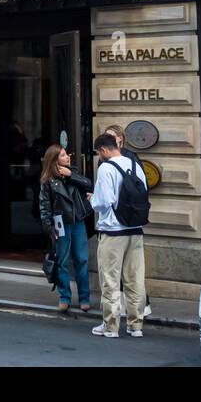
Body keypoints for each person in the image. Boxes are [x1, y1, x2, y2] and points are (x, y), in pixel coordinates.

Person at [90, 134, 148, 339]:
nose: (100, 156)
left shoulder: (106, 168)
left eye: (99, 152)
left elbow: (103, 202)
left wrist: (92, 199)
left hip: (113, 231)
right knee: (135, 280)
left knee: (110, 280)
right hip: (135, 230)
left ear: (103, 150)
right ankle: (136, 325)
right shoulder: (135, 165)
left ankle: (111, 326)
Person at [103, 124, 152, 320]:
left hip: (125, 218)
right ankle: (129, 312)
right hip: (117, 219)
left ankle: (139, 308)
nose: (109, 140)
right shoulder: (105, 159)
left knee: (128, 273)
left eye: (112, 137)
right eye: (106, 136)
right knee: (124, 272)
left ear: (121, 139)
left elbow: (139, 187)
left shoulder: (129, 157)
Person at [39, 145, 93, 314]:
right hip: (59, 223)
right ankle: (64, 297)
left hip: (77, 222)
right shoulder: (48, 181)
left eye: (66, 154)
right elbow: (44, 206)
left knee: (82, 260)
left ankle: (84, 298)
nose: (67, 157)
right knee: (62, 261)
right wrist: (49, 228)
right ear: (55, 160)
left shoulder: (73, 172)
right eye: (63, 155)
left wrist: (72, 176)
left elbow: (89, 184)